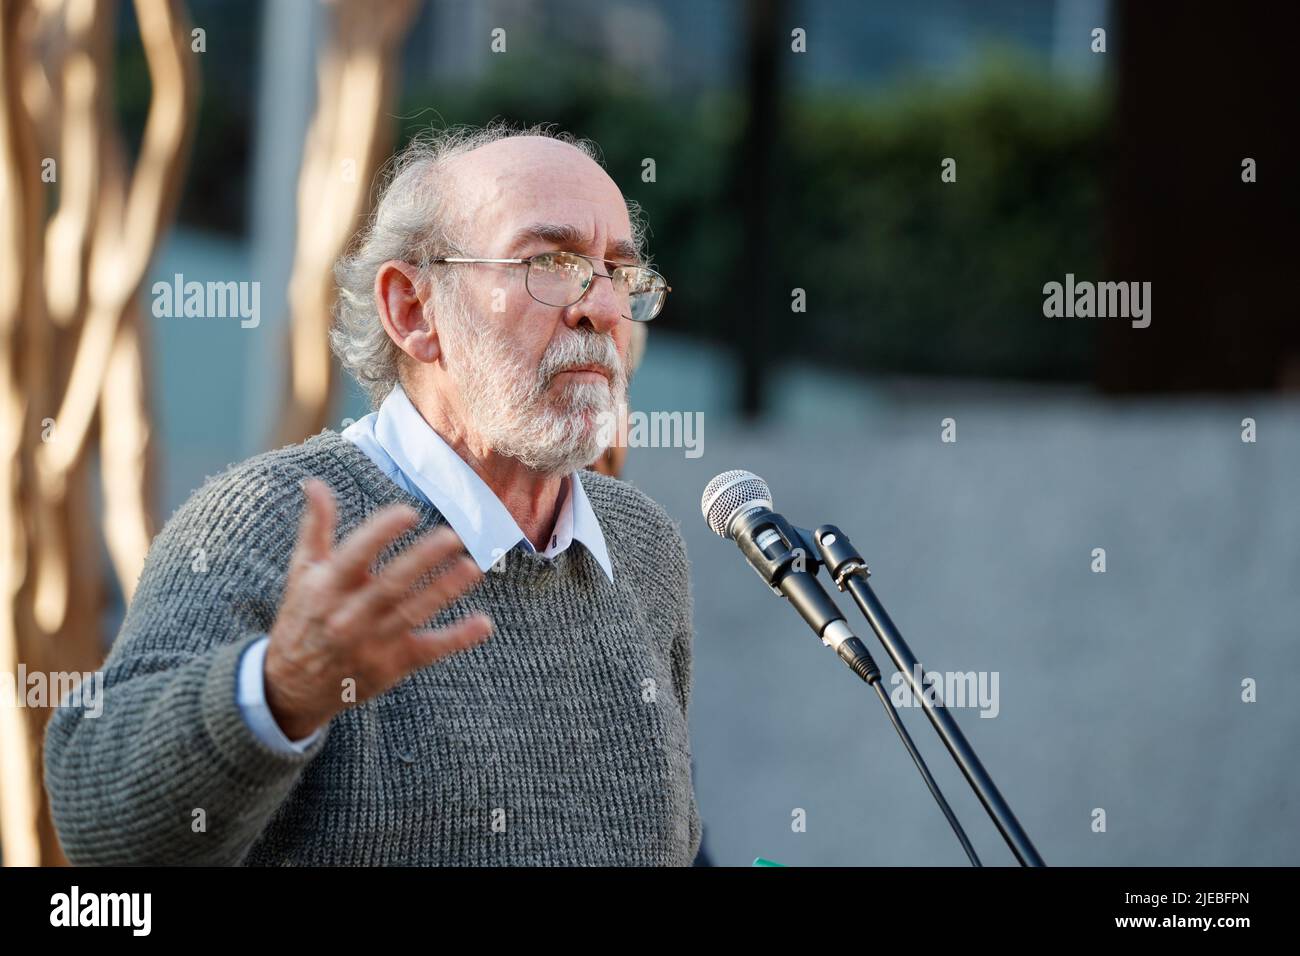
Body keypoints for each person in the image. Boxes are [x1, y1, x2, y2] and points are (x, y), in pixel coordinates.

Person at [44, 123, 701, 866]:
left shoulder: (641, 545)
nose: (605, 309)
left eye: (618, 271)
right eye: (550, 262)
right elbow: (102, 827)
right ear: (414, 310)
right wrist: (279, 691)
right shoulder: (264, 525)